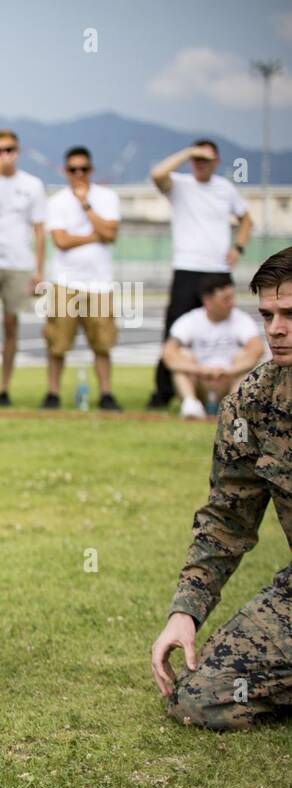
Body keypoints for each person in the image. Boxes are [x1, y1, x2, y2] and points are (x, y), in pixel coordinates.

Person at [151, 247, 292, 730]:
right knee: (198, 697)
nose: (275, 328)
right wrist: (185, 613)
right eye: (268, 315)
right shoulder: (252, 405)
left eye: (290, 314)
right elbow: (227, 520)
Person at [148, 140, 254, 409]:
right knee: (174, 331)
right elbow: (158, 174)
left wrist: (238, 247)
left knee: (228, 327)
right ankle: (164, 393)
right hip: (186, 267)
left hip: (218, 270)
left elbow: (246, 219)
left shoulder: (225, 188)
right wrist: (187, 153)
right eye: (197, 159)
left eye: (206, 159)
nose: (200, 164)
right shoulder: (180, 184)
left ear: (217, 162)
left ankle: (228, 391)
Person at [41, 146, 122, 411]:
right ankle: (53, 393)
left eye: (83, 169)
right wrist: (93, 235)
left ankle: (106, 393)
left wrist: (86, 205)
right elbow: (60, 241)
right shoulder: (56, 201)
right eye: (73, 169)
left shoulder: (107, 197)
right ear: (65, 171)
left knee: (102, 343)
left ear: (91, 170)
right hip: (65, 282)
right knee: (57, 343)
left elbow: (110, 233)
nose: (79, 174)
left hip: (99, 283)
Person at [0, 129, 46, 407]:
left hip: (18, 263)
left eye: (9, 151)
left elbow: (40, 230)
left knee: (11, 325)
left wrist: (38, 271)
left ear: (18, 152)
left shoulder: (32, 184)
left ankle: (4, 387)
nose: (4, 156)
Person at [162, 275, 264, 419]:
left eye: (232, 298)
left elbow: (257, 349)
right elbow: (168, 353)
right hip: (200, 383)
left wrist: (229, 370)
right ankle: (191, 404)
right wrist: (201, 370)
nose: (231, 304)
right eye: (225, 300)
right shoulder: (190, 320)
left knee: (243, 355)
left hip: (229, 382)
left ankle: (235, 405)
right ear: (207, 301)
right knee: (183, 355)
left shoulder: (242, 319)